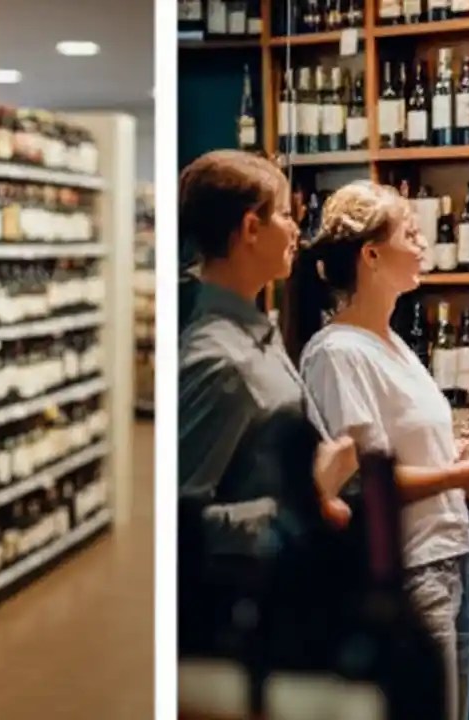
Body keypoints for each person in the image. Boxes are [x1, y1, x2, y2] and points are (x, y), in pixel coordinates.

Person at [290, 181, 469, 720]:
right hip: (413, 570)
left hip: (445, 558)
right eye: (410, 234)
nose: (422, 246)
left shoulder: (391, 343)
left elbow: (403, 446)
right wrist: (461, 475)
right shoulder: (338, 354)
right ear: (371, 255)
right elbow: (365, 482)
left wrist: (456, 451)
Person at [176, 150, 359, 665]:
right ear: (251, 228)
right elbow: (181, 524)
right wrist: (304, 502)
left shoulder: (257, 335)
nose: (297, 229)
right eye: (285, 213)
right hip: (243, 631)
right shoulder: (218, 359)